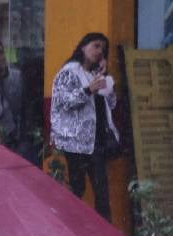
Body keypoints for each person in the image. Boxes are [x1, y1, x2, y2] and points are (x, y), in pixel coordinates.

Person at [50, 32, 120, 222]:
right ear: (83, 47)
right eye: (95, 46)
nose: (99, 51)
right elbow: (62, 102)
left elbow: (110, 105)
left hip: (96, 141)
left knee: (102, 193)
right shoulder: (69, 72)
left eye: (103, 49)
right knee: (77, 189)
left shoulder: (94, 74)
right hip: (76, 142)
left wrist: (107, 82)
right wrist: (88, 89)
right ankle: (73, 232)